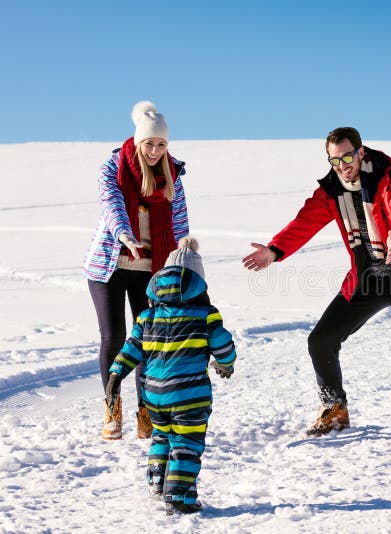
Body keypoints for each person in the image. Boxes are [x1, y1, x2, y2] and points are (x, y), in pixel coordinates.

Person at [242, 127, 391, 442]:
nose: (343, 165)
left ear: (360, 152)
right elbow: (305, 222)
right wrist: (275, 250)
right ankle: (334, 410)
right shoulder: (332, 190)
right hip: (368, 278)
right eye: (335, 160)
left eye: (348, 156)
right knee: (320, 339)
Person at [106, 237, 236, 515]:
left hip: (153, 394)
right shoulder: (205, 315)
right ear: (198, 282)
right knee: (186, 442)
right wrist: (226, 365)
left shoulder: (146, 317)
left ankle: (158, 483)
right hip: (189, 395)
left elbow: (131, 349)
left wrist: (116, 375)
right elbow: (223, 346)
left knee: (162, 436)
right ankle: (178, 496)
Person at [83, 101, 190, 441]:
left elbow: (180, 222)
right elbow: (112, 203)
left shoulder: (173, 174)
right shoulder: (113, 167)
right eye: (150, 143)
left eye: (161, 144)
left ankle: (146, 412)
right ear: (139, 141)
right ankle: (112, 408)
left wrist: (184, 261)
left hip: (150, 268)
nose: (156, 150)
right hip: (111, 265)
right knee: (114, 337)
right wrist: (124, 234)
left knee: (147, 341)